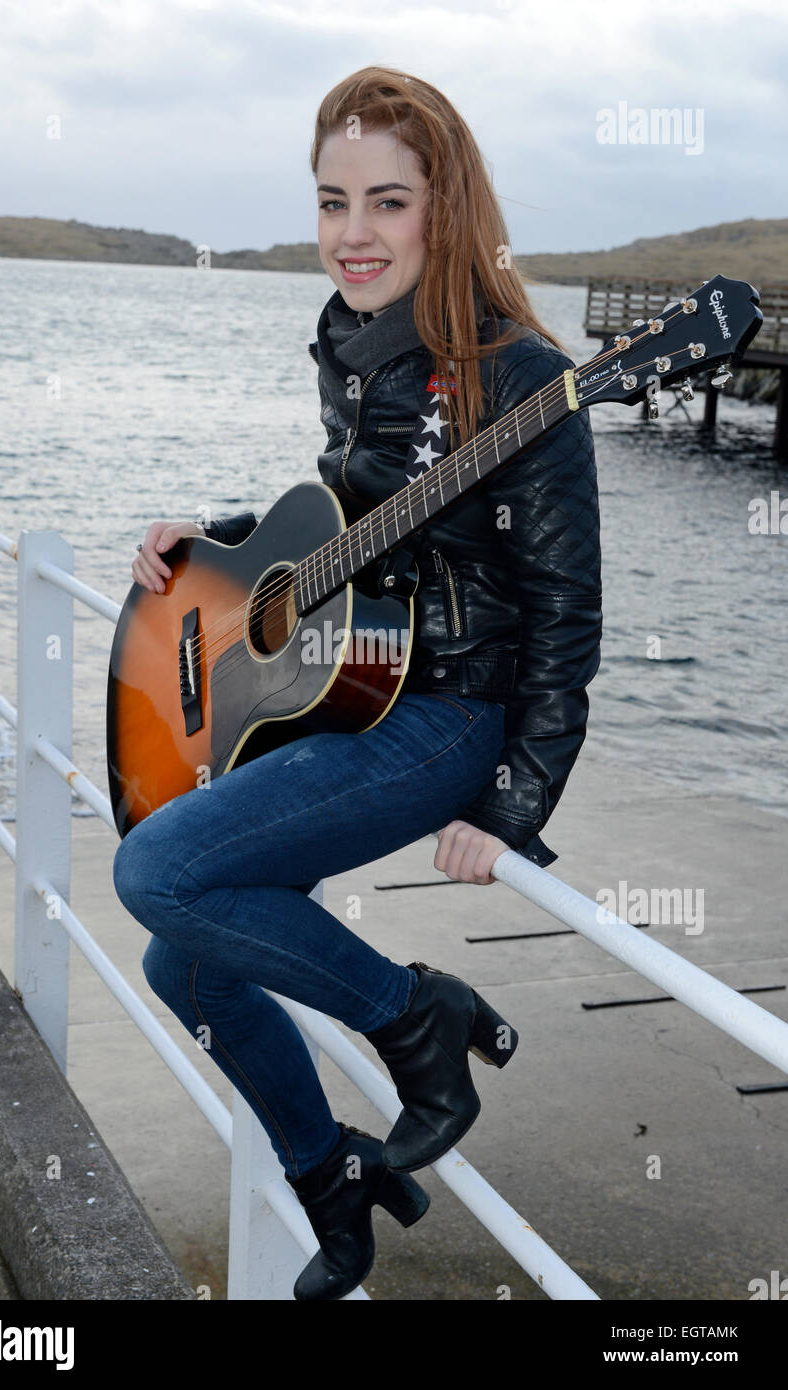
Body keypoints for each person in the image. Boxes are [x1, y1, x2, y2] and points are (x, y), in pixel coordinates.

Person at [113, 65, 602, 1301]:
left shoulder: (523, 375)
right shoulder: (359, 348)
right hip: (361, 692)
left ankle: (413, 1018)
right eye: (332, 201)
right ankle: (332, 1174)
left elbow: (564, 618)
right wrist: (211, 548)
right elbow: (348, 519)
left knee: (158, 871)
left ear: (445, 206)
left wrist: (511, 803)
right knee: (188, 957)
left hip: (450, 719)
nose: (351, 234)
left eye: (386, 202)